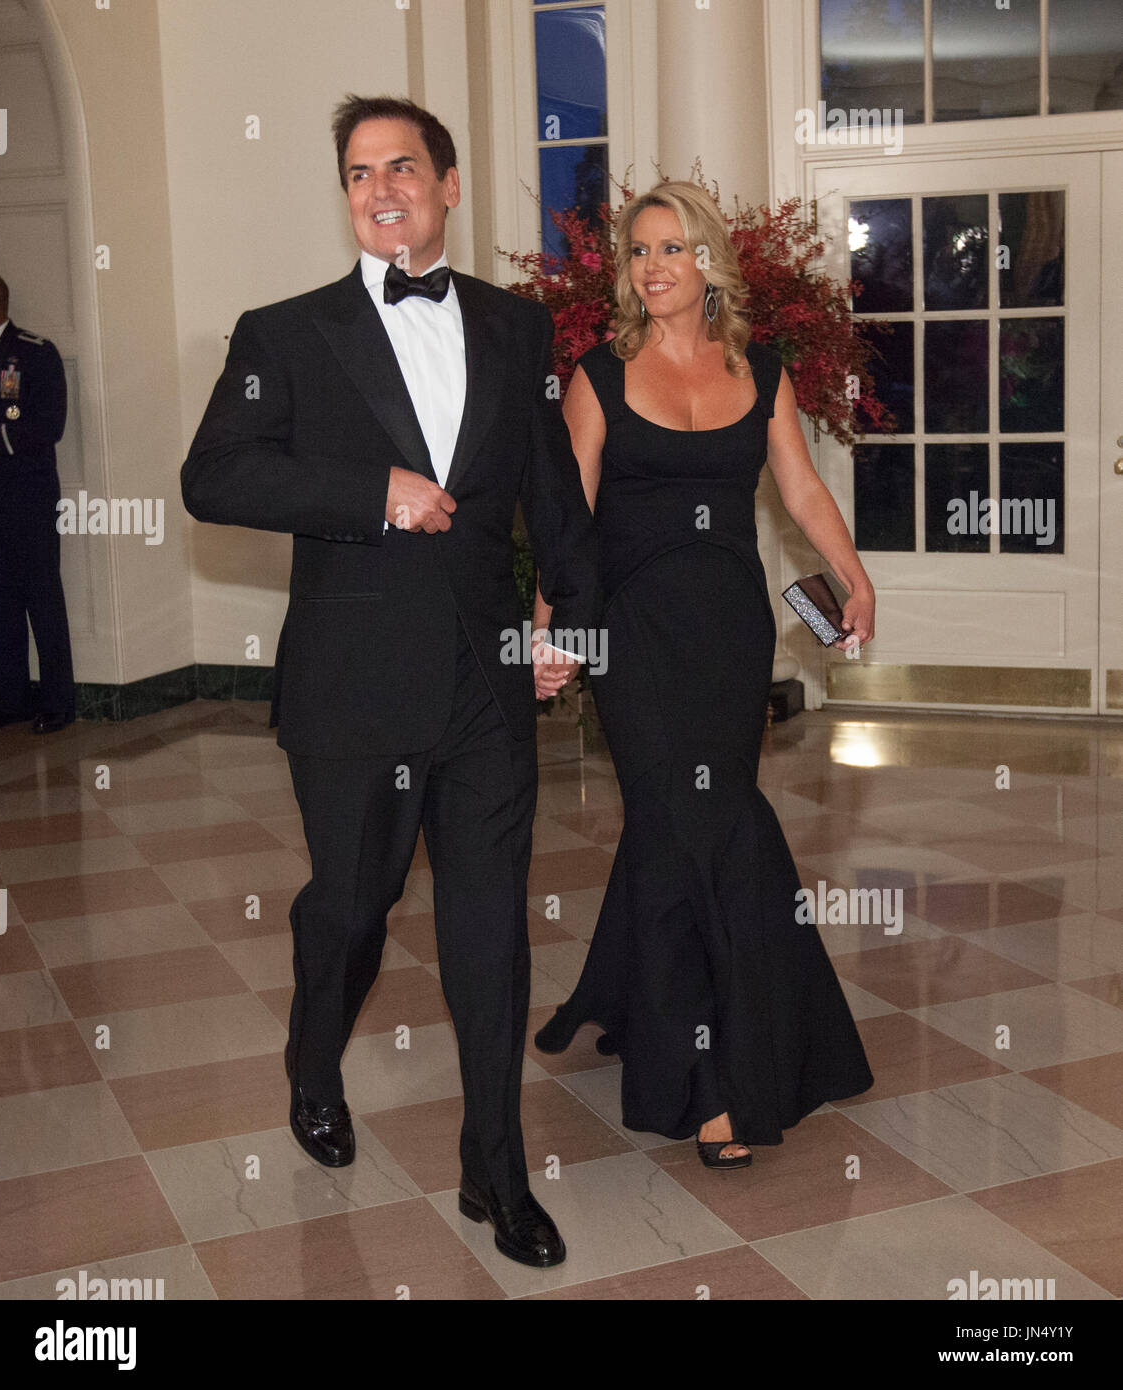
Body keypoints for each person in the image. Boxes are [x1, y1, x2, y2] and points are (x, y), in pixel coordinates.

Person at [181, 96, 599, 1269]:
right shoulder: (285, 333)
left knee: (487, 930)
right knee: (353, 910)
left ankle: (495, 1172)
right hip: (354, 690)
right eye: (359, 174)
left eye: (402, 167)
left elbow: (555, 499)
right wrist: (372, 492)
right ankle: (315, 1060)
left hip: (485, 686)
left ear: (448, 185)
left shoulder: (521, 331)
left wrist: (573, 620)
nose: (380, 190)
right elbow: (211, 476)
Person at [534, 182, 875, 1166]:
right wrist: (548, 636)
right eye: (638, 252)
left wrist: (851, 575)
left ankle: (646, 1000)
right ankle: (712, 1078)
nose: (651, 266)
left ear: (706, 262)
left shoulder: (756, 371)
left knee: (698, 822)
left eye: (671, 249)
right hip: (636, 639)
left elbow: (800, 488)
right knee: (690, 827)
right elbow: (567, 523)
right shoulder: (596, 378)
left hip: (728, 631)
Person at [0, 271, 75, 734]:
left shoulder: (34, 353)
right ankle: (10, 699)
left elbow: (49, 422)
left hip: (27, 494)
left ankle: (59, 702)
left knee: (41, 595)